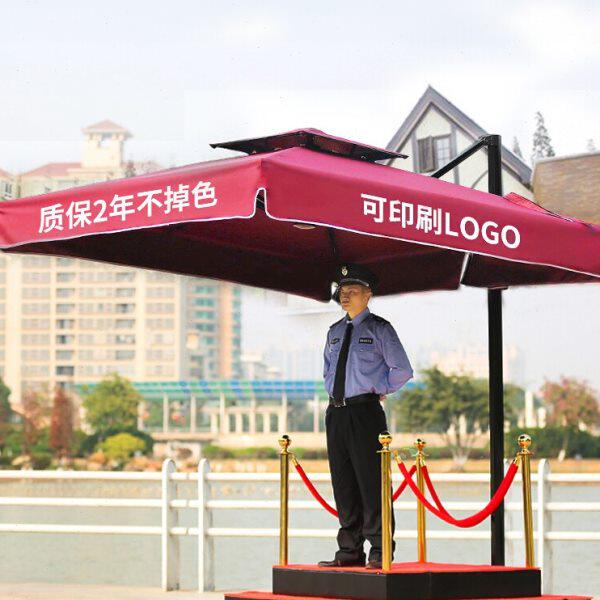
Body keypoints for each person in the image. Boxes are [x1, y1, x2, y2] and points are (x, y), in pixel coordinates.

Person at [318, 263, 414, 569]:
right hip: (337, 413)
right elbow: (327, 370)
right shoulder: (334, 332)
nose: (345, 296)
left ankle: (380, 549)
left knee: (372, 483)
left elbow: (402, 370)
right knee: (343, 483)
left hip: (365, 413)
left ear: (368, 295)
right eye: (342, 291)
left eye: (352, 290)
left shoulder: (379, 329)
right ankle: (349, 549)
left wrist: (379, 388)